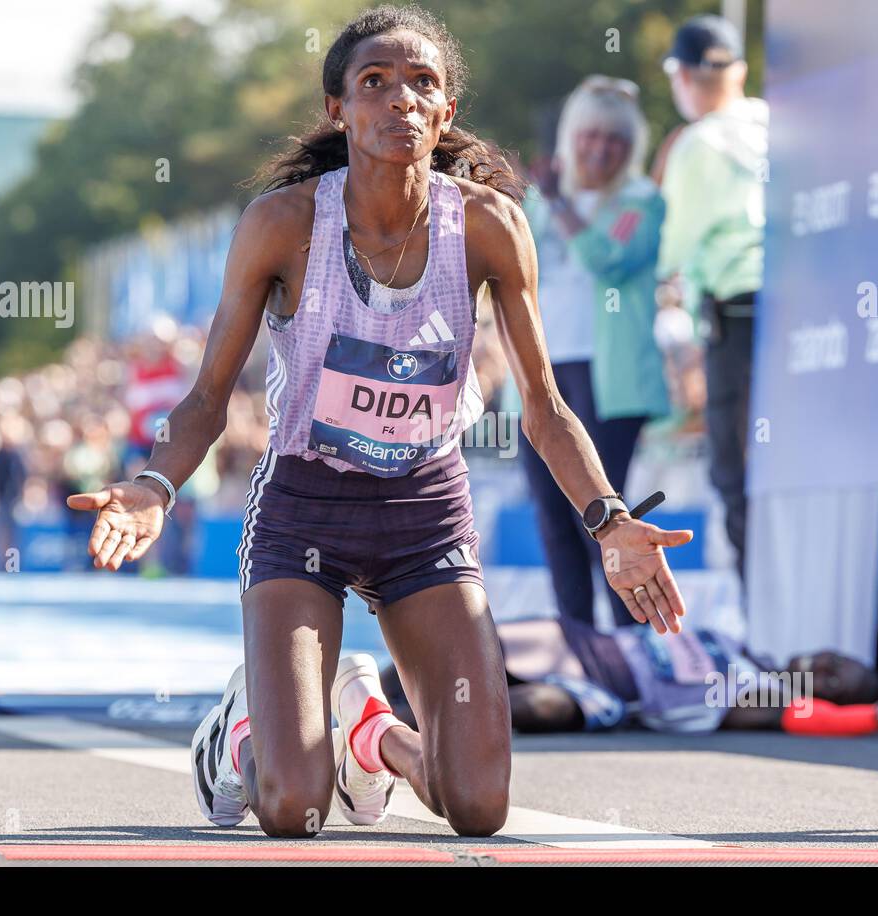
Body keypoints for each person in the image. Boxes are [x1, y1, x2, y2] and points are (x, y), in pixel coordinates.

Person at [67, 4, 693, 839]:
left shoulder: (490, 224)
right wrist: (152, 487)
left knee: (477, 806)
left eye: (422, 84)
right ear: (339, 109)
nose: (400, 100)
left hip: (424, 512)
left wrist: (610, 520)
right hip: (303, 509)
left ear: (445, 114)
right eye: (375, 83)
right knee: (293, 806)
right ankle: (234, 738)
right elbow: (208, 399)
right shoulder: (283, 224)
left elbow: (543, 406)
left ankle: (370, 736)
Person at [513, 76, 672, 629]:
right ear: (570, 137)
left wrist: (560, 204)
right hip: (538, 376)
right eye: (591, 136)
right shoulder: (535, 202)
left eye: (616, 140)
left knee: (606, 513)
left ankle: (634, 643)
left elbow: (609, 258)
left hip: (610, 378)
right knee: (553, 519)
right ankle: (580, 643)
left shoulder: (641, 201)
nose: (601, 150)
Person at [380, 617, 878, 741]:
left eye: (835, 681)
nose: (822, 669)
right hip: (579, 642)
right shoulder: (731, 639)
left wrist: (870, 716)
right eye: (834, 658)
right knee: (452, 638)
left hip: (600, 692)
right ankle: (367, 694)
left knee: (537, 707)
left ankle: (392, 730)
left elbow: (797, 717)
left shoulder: (757, 694)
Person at [656, 14, 768, 583]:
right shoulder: (775, 122)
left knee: (736, 470)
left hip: (739, 313)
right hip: (798, 313)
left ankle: (765, 622)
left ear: (685, 76)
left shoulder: (700, 143)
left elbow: (669, 245)